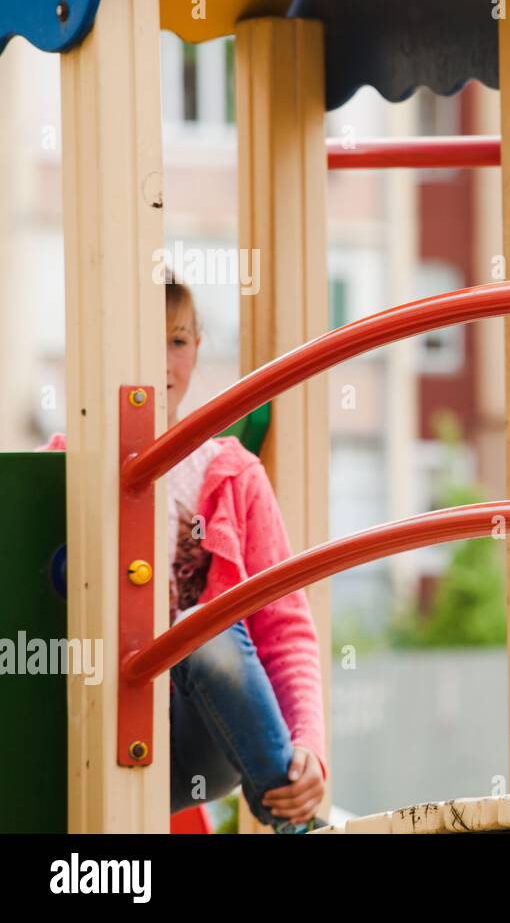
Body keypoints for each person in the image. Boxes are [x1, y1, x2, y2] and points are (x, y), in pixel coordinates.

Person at [44, 272, 328, 831]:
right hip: (91, 729)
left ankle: (293, 817)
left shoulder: (230, 474)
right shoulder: (62, 465)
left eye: (176, 340)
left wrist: (306, 746)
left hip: (199, 732)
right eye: (141, 340)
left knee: (210, 628)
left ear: (197, 349)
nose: (162, 360)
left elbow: (285, 629)